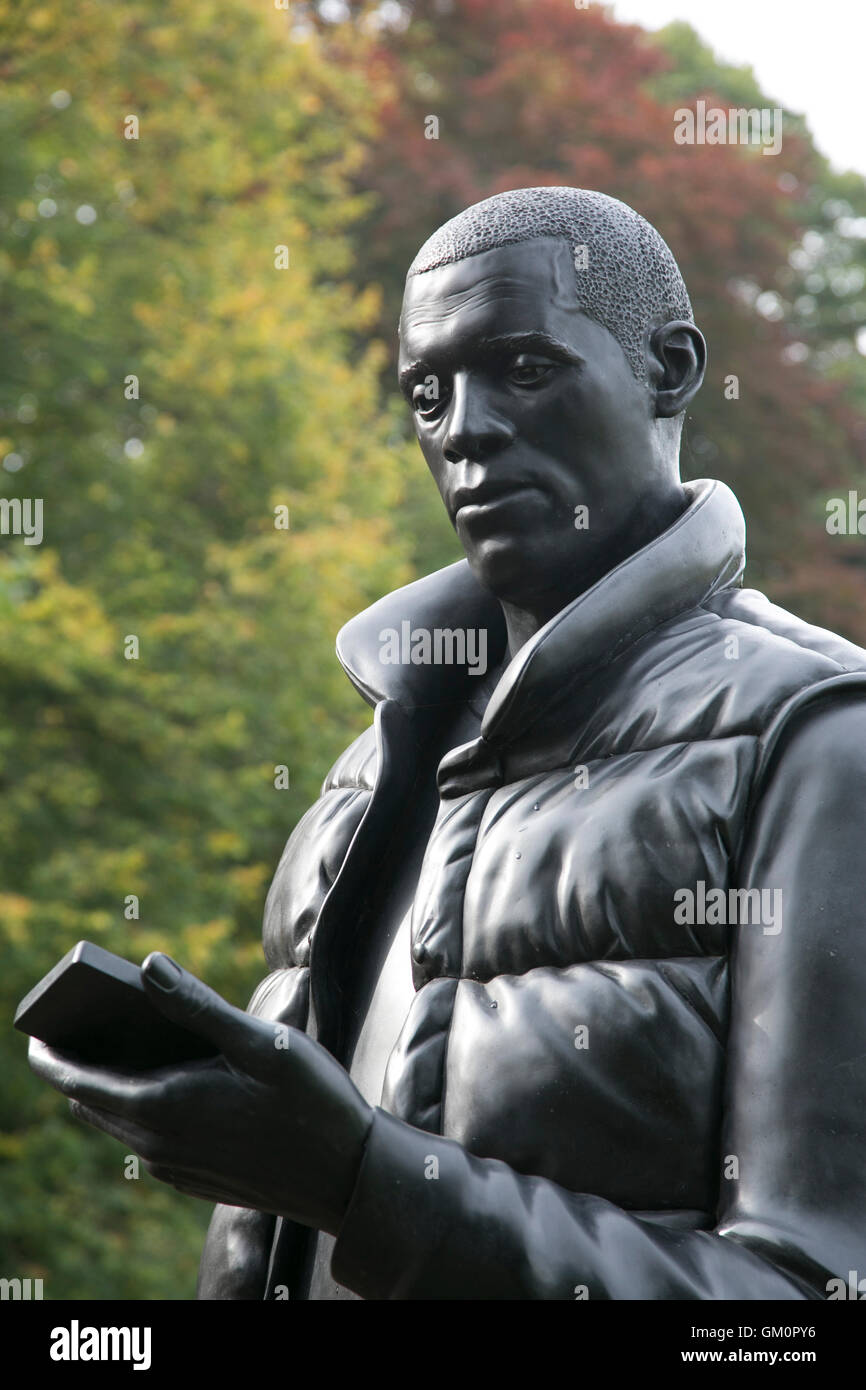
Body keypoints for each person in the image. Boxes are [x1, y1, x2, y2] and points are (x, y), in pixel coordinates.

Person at [30, 187, 866, 1299]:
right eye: (426, 393)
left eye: (523, 369)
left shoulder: (816, 737)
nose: (462, 427)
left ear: (669, 371)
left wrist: (366, 1183)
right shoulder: (372, 767)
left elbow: (803, 1306)